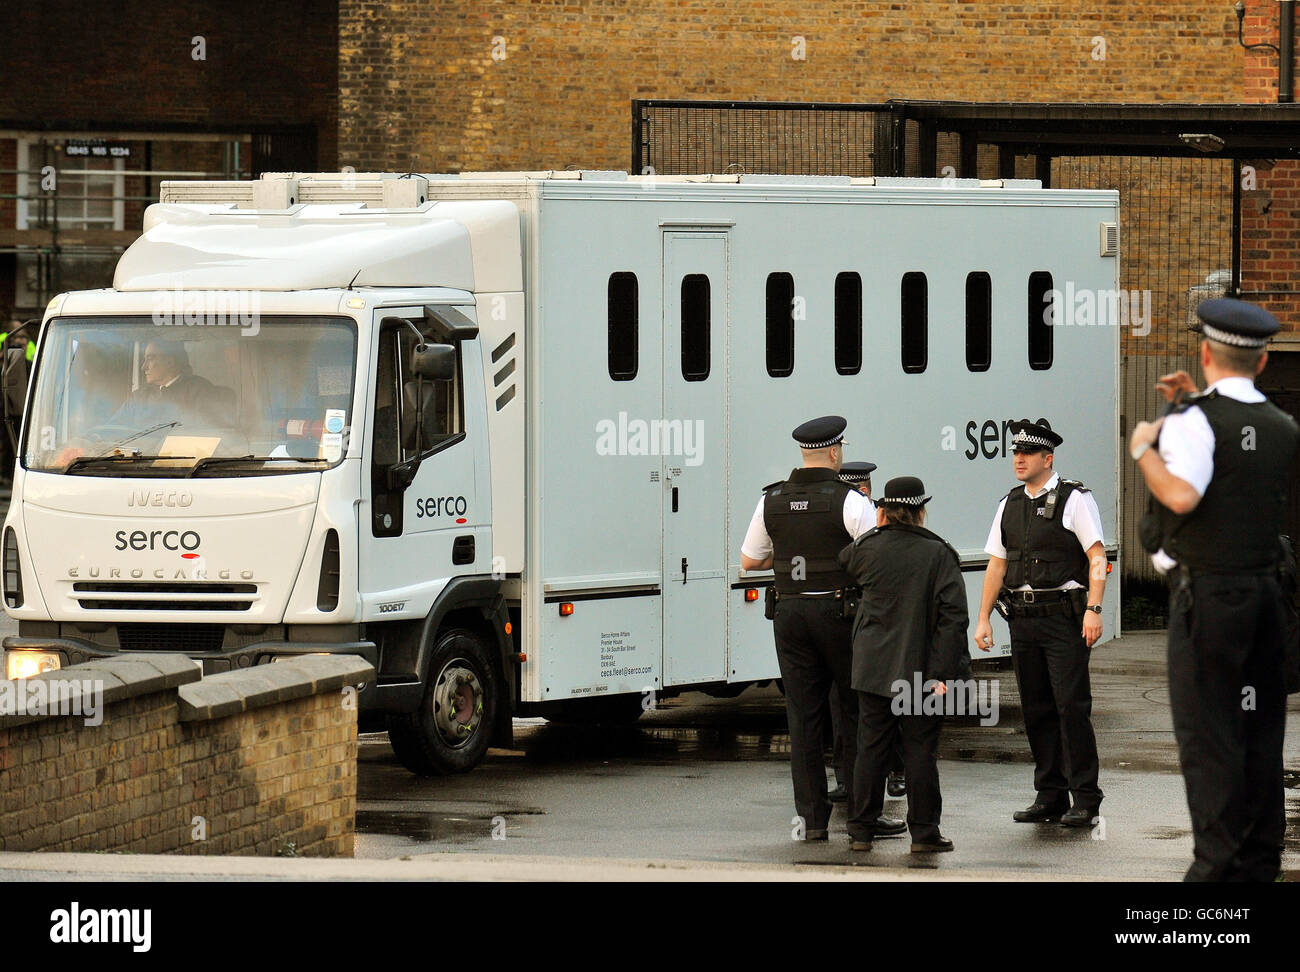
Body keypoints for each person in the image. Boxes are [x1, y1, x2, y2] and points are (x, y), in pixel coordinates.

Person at [1130, 297, 1298, 882]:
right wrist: (1186, 406)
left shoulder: (1191, 424)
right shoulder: (1280, 426)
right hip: (1267, 600)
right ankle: (1255, 867)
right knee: (1258, 739)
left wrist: (1144, 449)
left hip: (1211, 601)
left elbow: (1181, 497)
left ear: (1204, 353)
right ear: (1264, 360)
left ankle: (1212, 887)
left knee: (1209, 741)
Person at [740, 417, 903, 842]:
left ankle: (812, 822)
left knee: (803, 718)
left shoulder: (771, 500)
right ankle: (861, 818)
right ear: (835, 453)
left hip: (790, 616)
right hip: (840, 615)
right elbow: (878, 555)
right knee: (858, 712)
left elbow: (749, 561)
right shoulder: (848, 500)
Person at [972, 420, 1108, 828]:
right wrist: (982, 618)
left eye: (1027, 453)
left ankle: (1085, 797)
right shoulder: (1009, 503)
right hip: (1024, 620)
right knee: (1036, 709)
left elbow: (1097, 556)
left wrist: (1095, 609)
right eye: (1015, 452)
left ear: (1048, 459)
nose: (1018, 458)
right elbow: (997, 563)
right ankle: (1050, 793)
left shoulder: (1075, 499)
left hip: (1063, 619)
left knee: (1071, 708)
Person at [840, 477, 969, 853]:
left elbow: (845, 560)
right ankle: (924, 834)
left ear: (883, 512)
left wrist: (874, 532)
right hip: (920, 673)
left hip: (872, 671)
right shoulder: (938, 554)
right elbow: (952, 619)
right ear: (920, 512)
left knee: (870, 749)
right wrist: (943, 675)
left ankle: (861, 830)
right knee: (919, 752)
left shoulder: (866, 550)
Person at [827, 460, 905, 799]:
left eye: (863, 488)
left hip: (875, 619)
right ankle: (846, 777)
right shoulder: (834, 518)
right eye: (852, 488)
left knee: (887, 699)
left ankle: (897, 770)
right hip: (842, 618)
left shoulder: (880, 518)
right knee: (842, 704)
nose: (859, 493)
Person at [106, 339, 224, 430]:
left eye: (150, 359)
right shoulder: (139, 397)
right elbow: (110, 430)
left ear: (169, 362)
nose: (143, 367)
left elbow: (211, 434)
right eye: (144, 359)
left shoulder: (200, 391)